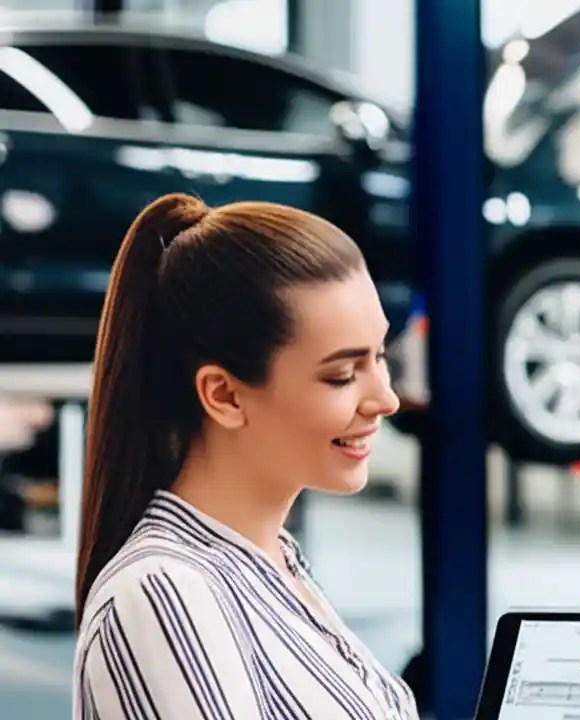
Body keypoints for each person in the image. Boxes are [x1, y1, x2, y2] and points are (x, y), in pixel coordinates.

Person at [72, 193, 417, 719]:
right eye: (342, 375)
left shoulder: (274, 566)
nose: (385, 399)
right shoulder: (164, 596)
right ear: (224, 395)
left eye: (380, 357)